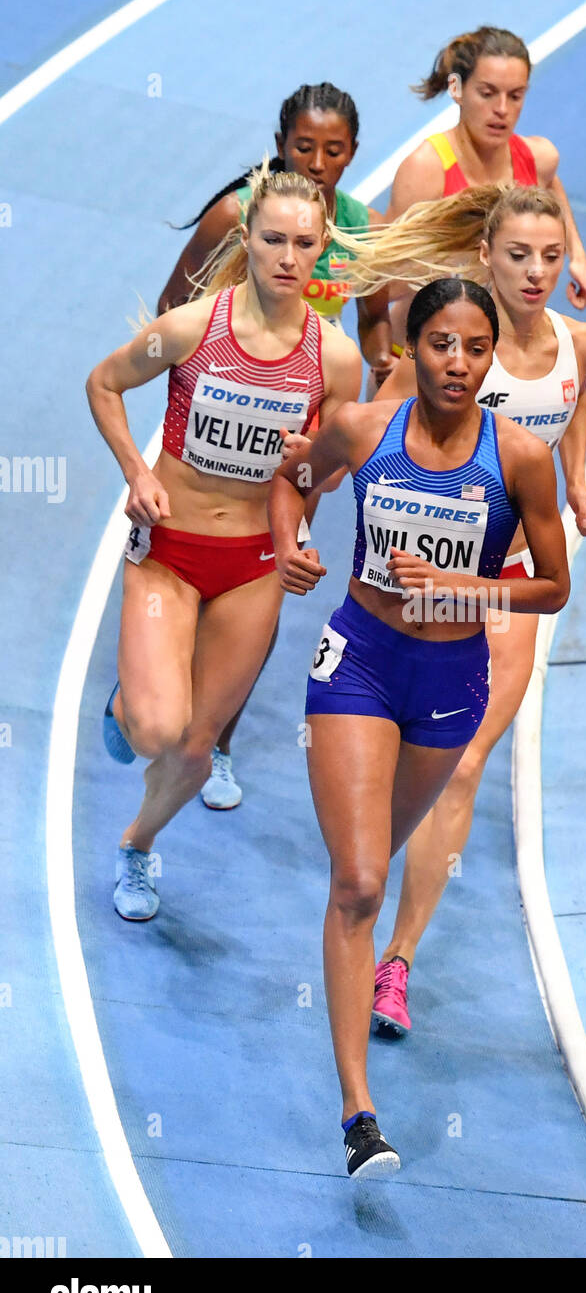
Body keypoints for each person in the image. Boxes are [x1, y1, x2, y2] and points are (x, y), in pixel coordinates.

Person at [268, 278, 570, 1175]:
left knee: (381, 857)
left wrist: (466, 590)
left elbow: (554, 586)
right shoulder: (366, 429)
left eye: (477, 349)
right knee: (359, 880)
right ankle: (360, 1113)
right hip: (359, 659)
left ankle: (370, 959)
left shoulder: (517, 458)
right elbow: (295, 484)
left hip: (449, 679)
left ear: (490, 358)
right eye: (442, 344)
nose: (459, 364)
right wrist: (290, 542)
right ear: (414, 343)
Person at [333, 183, 586, 1033]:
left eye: (553, 257)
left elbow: (567, 405)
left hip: (510, 576)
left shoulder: (582, 342)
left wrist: (580, 478)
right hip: (413, 572)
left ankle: (398, 960)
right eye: (518, 256)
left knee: (466, 759)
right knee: (415, 755)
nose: (537, 273)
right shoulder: (451, 344)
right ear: (484, 257)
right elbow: (375, 430)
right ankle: (363, 861)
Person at [88, 166, 361, 921]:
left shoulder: (336, 359)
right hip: (168, 551)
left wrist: (308, 478)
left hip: (254, 566)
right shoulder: (191, 329)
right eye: (272, 239)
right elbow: (104, 384)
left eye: (303, 243)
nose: (286, 256)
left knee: (195, 748)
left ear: (322, 250)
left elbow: (329, 471)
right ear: (247, 240)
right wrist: (138, 473)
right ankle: (126, 703)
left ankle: (137, 847)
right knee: (154, 729)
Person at [157, 84, 392, 809]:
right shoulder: (239, 213)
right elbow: (171, 308)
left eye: (335, 151)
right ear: (280, 143)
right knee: (192, 573)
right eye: (304, 148)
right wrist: (228, 370)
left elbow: (377, 328)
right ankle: (151, 686)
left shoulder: (359, 233)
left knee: (266, 582)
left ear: (354, 155)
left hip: (300, 445)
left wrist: (377, 378)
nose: (319, 164)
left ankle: (218, 742)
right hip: (216, 423)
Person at [384, 26, 586, 353]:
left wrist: (577, 257)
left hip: (496, 355)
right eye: (487, 93)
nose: (502, 109)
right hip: (419, 358)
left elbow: (551, 191)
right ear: (457, 88)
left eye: (515, 95)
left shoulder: (538, 158)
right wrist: (456, 260)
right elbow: (385, 283)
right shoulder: (426, 170)